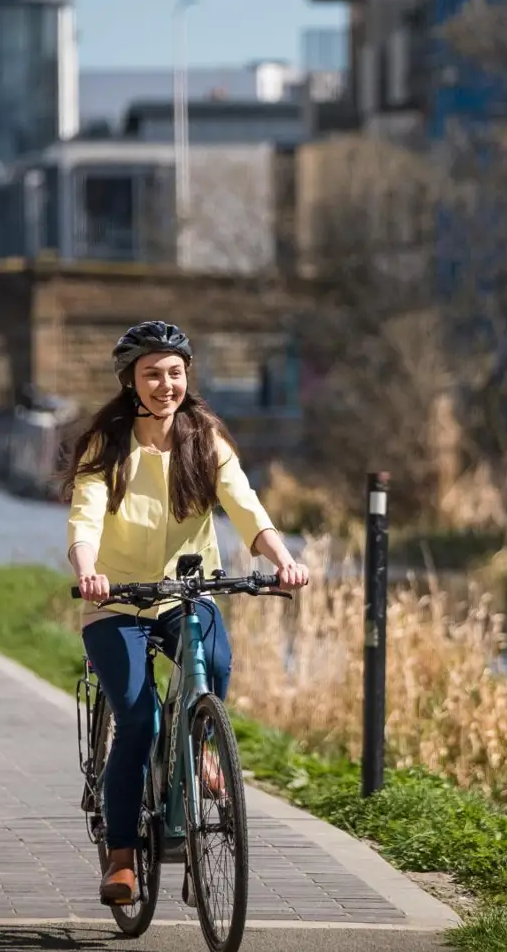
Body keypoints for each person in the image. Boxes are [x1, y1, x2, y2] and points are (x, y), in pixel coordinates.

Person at [63, 320, 309, 907]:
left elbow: (245, 508)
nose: (165, 384)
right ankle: (122, 857)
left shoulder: (206, 439)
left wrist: (283, 558)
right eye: (152, 374)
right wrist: (88, 572)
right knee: (139, 717)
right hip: (117, 599)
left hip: (184, 593)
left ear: (186, 377)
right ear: (131, 382)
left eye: (175, 373)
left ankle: (200, 756)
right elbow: (85, 518)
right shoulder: (108, 444)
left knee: (214, 667)